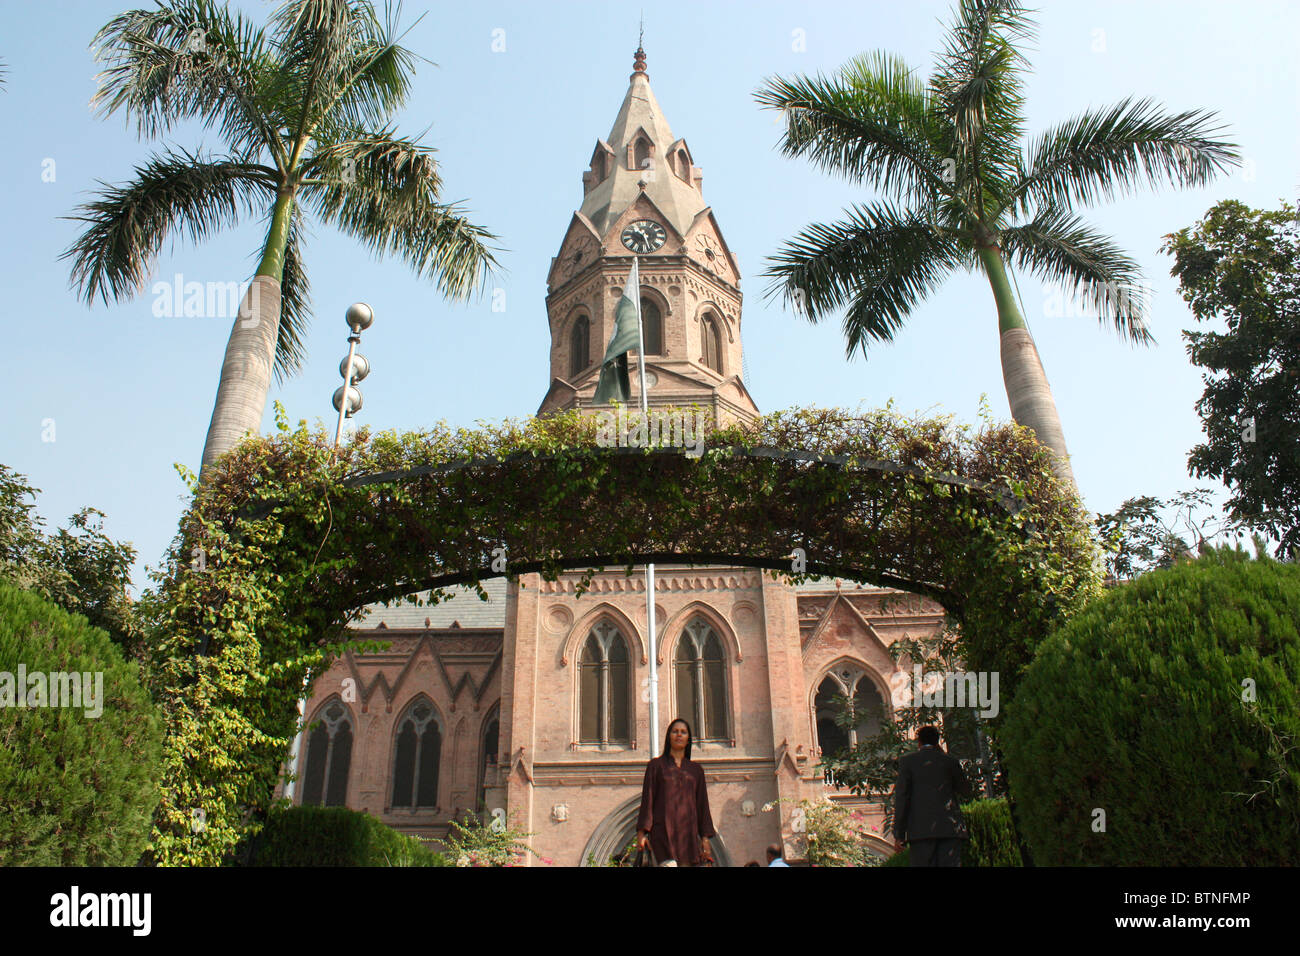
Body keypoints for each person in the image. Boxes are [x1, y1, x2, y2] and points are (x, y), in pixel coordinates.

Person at [636, 718, 716, 866]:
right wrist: (642, 832)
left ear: (688, 739)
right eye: (675, 731)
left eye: (683, 732)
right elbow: (648, 801)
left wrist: (705, 838)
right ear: (668, 737)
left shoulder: (696, 770)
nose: (679, 735)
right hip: (663, 835)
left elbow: (702, 806)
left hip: (688, 839)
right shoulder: (656, 766)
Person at [892, 725, 972, 866]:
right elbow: (965, 791)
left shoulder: (908, 762)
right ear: (938, 741)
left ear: (919, 742)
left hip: (920, 832)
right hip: (949, 829)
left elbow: (902, 798)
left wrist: (899, 834)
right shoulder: (950, 762)